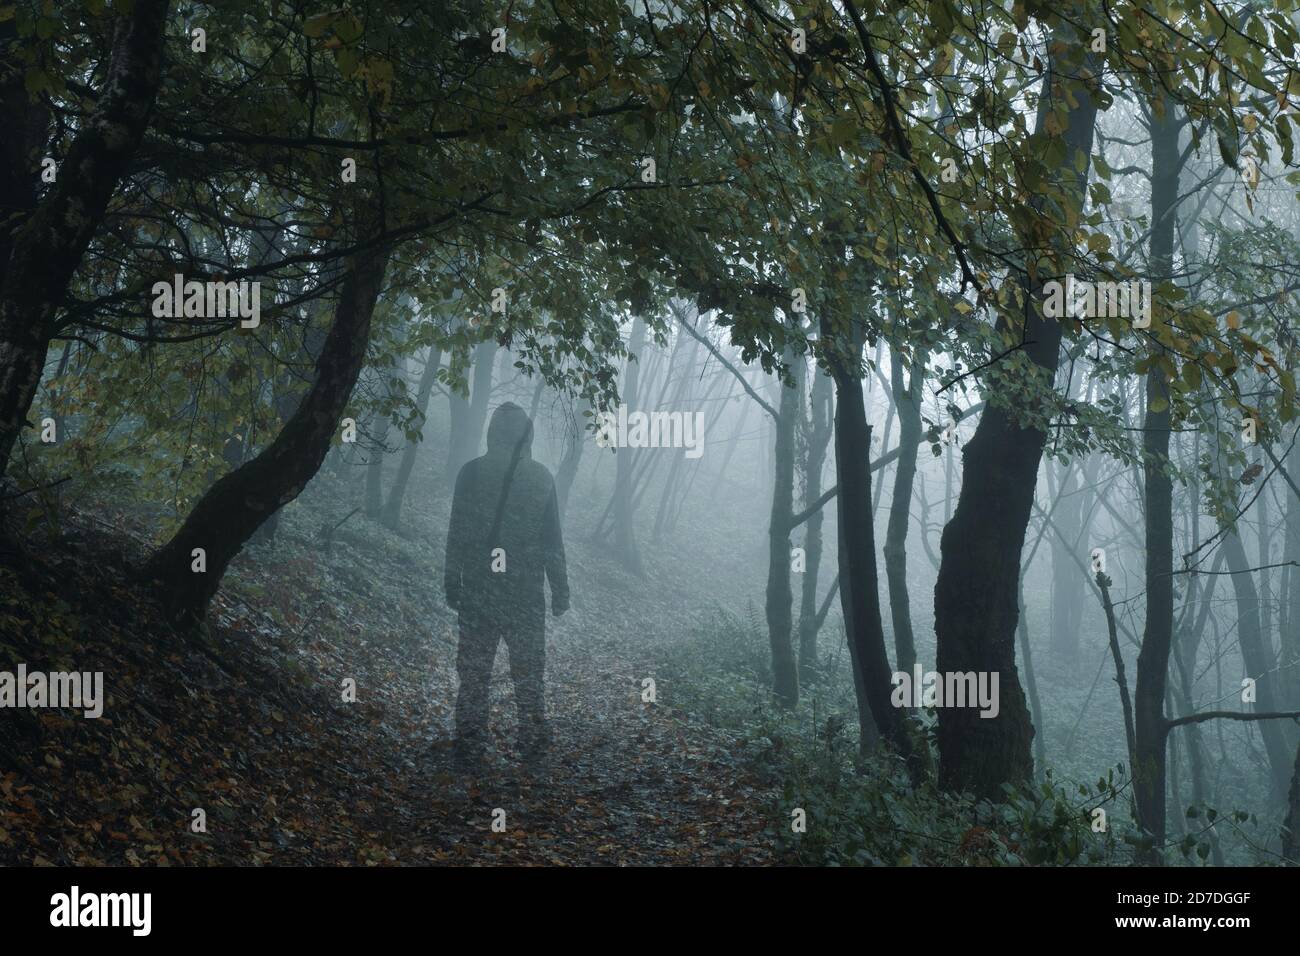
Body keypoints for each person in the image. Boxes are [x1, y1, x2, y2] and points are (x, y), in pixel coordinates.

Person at [444, 402, 569, 767]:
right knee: (529, 676)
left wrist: (452, 581)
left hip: (479, 592)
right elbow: (552, 542)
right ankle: (533, 746)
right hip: (524, 595)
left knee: (473, 673)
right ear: (526, 437)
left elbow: (457, 533)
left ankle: (469, 745)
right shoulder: (542, 478)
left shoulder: (470, 473)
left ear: (492, 432)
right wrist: (560, 591)